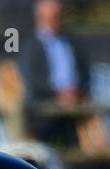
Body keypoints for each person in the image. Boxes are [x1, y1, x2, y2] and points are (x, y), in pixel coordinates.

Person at [19, 0, 89, 146]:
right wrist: (58, 94)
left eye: (58, 15)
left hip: (74, 109)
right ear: (40, 17)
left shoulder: (71, 42)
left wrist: (75, 92)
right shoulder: (31, 46)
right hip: (43, 113)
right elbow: (33, 80)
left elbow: (84, 73)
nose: (56, 19)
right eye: (52, 16)